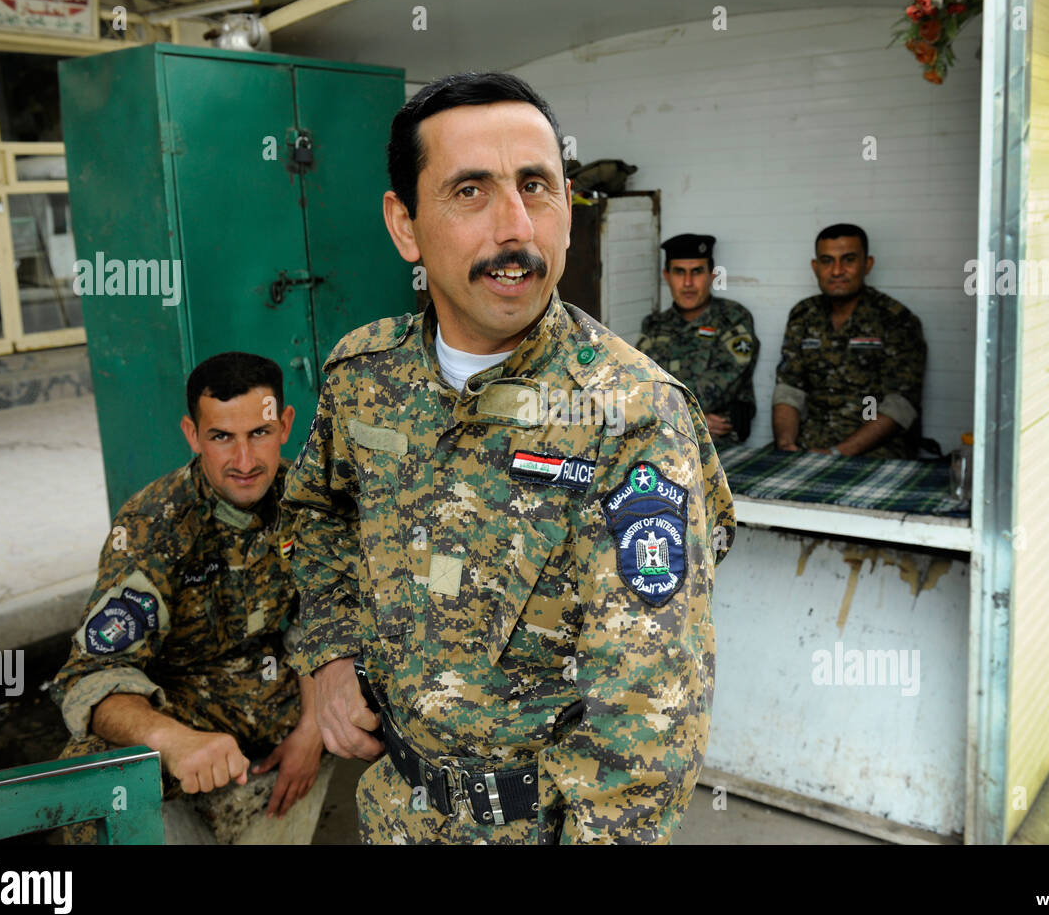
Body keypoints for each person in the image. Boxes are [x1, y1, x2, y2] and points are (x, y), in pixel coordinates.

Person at [281, 70, 735, 845]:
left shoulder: (630, 412)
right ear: (405, 224)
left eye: (537, 186)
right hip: (393, 812)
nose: (515, 228)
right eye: (470, 191)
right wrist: (326, 655)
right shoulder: (364, 376)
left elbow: (650, 716)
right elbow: (314, 518)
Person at [49, 352, 324, 841]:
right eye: (221, 437)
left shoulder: (306, 500)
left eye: (258, 434)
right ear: (193, 435)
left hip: (277, 688)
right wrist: (170, 740)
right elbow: (92, 672)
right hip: (184, 702)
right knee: (86, 777)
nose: (244, 462)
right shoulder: (153, 526)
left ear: (283, 426)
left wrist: (313, 730)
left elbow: (324, 622)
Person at [772, 224, 926, 459]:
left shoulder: (895, 319)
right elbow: (789, 390)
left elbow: (900, 404)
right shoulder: (803, 315)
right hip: (808, 446)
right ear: (815, 267)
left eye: (848, 259)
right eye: (827, 261)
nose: (837, 271)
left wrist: (836, 453)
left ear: (868, 264)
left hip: (875, 451)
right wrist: (786, 444)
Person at [637, 233, 759, 444]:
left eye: (697, 272)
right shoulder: (654, 326)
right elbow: (639, 387)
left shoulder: (733, 318)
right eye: (679, 272)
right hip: (660, 443)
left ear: (712, 276)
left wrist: (661, 412)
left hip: (716, 446)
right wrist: (690, 419)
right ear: (667, 276)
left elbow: (718, 386)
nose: (687, 282)